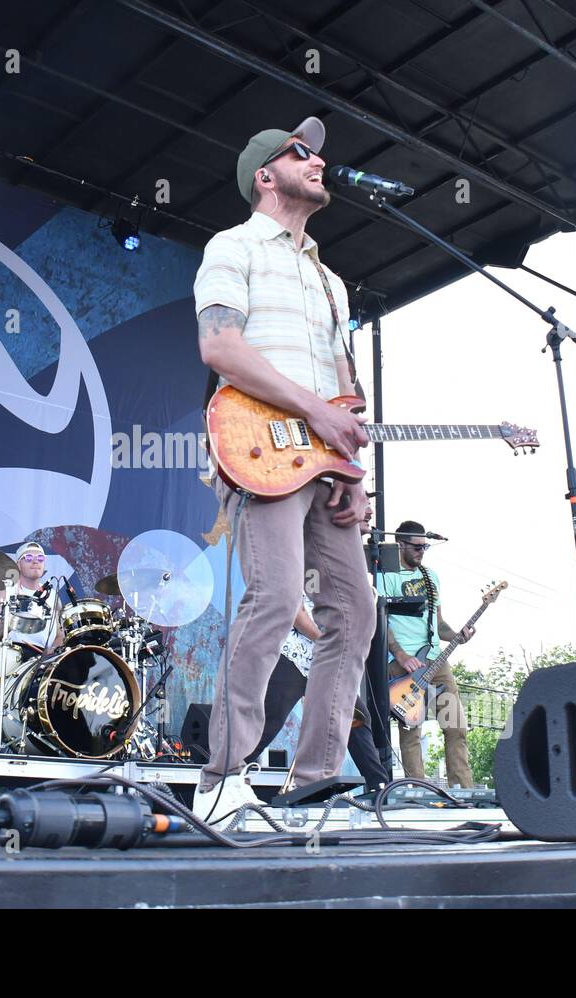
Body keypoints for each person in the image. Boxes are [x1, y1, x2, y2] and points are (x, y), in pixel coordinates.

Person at [192, 115, 375, 823]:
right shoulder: (232, 246)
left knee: (354, 611)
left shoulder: (332, 282)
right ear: (265, 174)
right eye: (302, 152)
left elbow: (345, 394)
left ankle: (314, 776)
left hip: (326, 462)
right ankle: (223, 777)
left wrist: (354, 474)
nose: (319, 160)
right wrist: (315, 413)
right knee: (272, 599)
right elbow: (220, 348)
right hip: (259, 450)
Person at [248, 595, 390, 792]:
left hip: (328, 663)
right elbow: (296, 614)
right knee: (269, 720)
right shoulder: (301, 567)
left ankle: (379, 786)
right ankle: (227, 777)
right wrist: (326, 640)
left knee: (355, 719)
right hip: (293, 655)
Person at [381, 521, 475, 788]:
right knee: (411, 730)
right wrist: (399, 655)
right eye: (417, 546)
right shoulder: (385, 575)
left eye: (426, 546)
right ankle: (417, 788)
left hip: (437, 661)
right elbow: (381, 622)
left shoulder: (430, 576)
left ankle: (464, 789)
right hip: (404, 664)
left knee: (455, 725)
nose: (422, 551)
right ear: (400, 545)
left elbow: (439, 623)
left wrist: (458, 633)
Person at [0, 542, 63, 653]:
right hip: (14, 652)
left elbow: (60, 636)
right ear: (18, 564)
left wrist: (52, 651)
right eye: (28, 558)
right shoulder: (7, 591)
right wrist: (15, 621)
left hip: (45, 658)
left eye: (40, 558)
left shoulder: (52, 594)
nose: (35, 561)